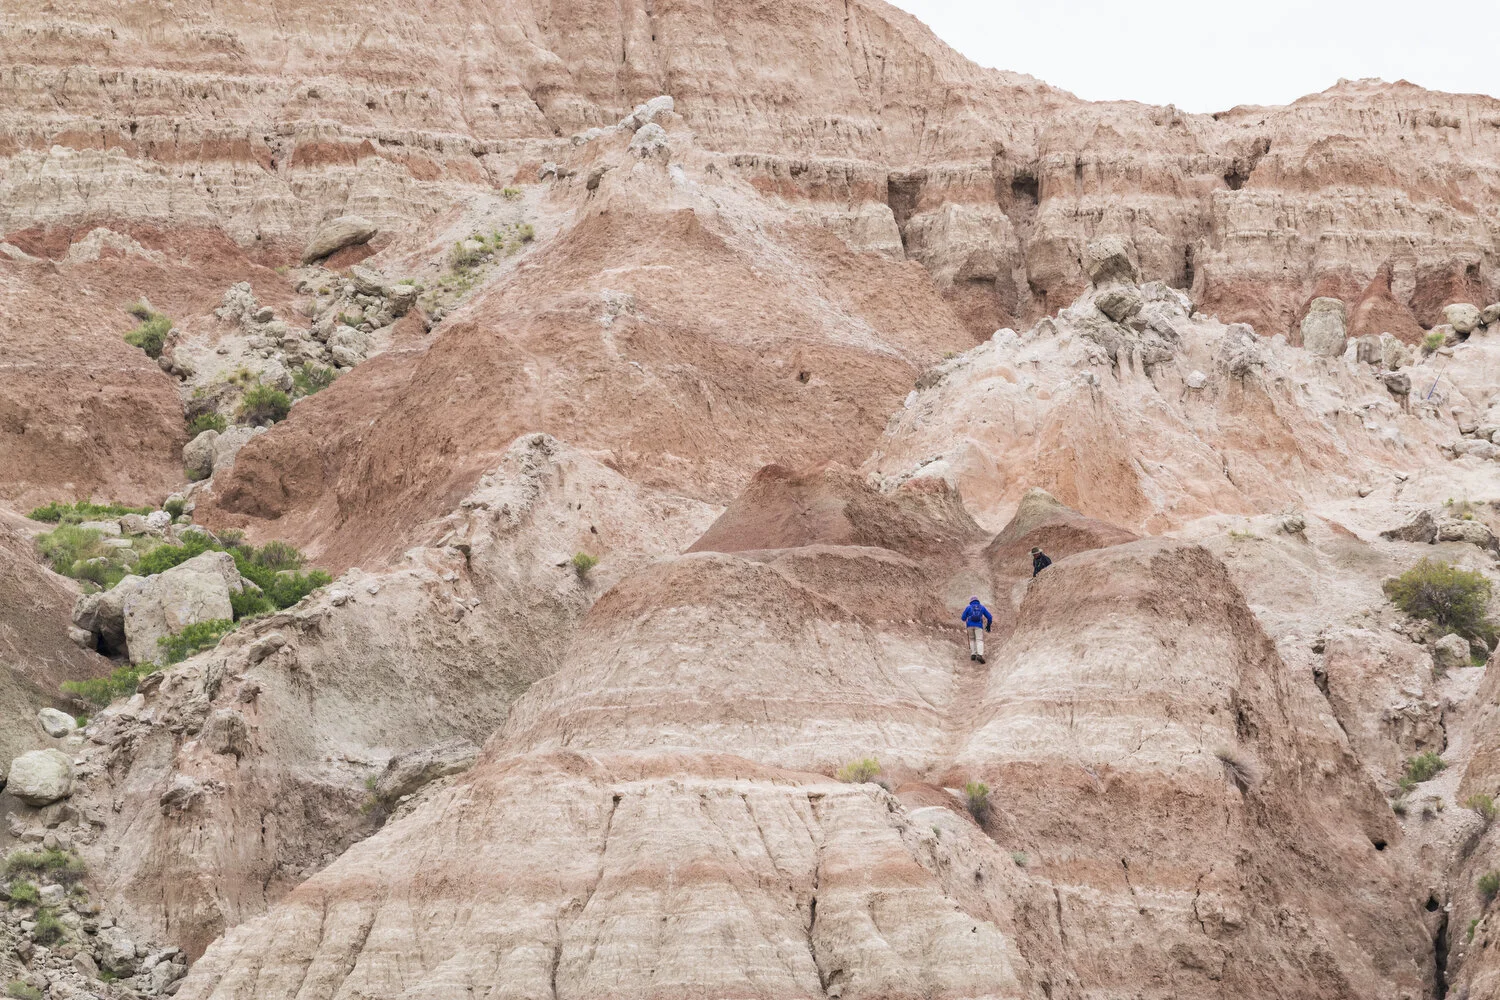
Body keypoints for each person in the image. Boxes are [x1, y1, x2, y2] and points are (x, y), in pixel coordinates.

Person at [961, 597, 992, 663]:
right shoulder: (982, 607)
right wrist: (988, 625)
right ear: (978, 601)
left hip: (969, 626)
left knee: (972, 639)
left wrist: (966, 619)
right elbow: (990, 617)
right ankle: (980, 655)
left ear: (971, 601)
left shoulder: (968, 607)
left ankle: (973, 654)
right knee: (979, 640)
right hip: (979, 626)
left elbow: (963, 618)